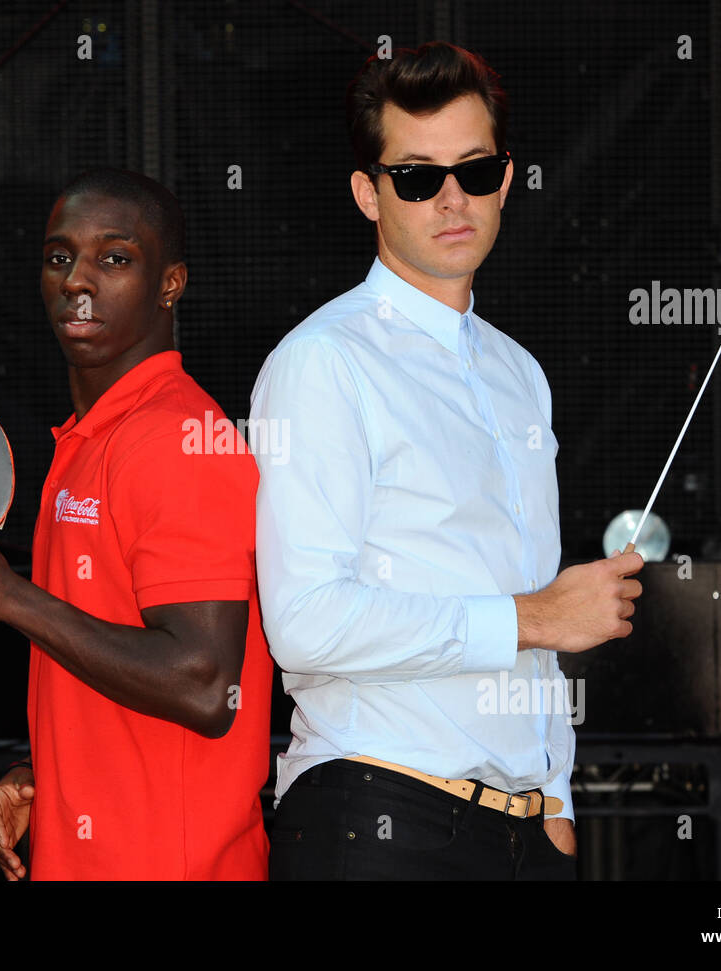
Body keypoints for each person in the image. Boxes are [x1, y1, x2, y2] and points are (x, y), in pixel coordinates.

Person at [248, 42, 644, 880]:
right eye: (418, 177)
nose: (452, 197)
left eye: (475, 169)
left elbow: (529, 603)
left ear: (506, 179)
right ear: (369, 193)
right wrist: (534, 616)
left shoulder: (518, 374)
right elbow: (305, 620)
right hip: (377, 812)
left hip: (522, 832)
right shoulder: (325, 360)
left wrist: (557, 802)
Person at [0, 168, 272, 880]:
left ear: (170, 284)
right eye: (59, 257)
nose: (76, 279)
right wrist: (50, 773)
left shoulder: (179, 441)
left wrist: (4, 594)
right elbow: (115, 656)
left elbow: (204, 684)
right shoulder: (89, 439)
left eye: (114, 258)